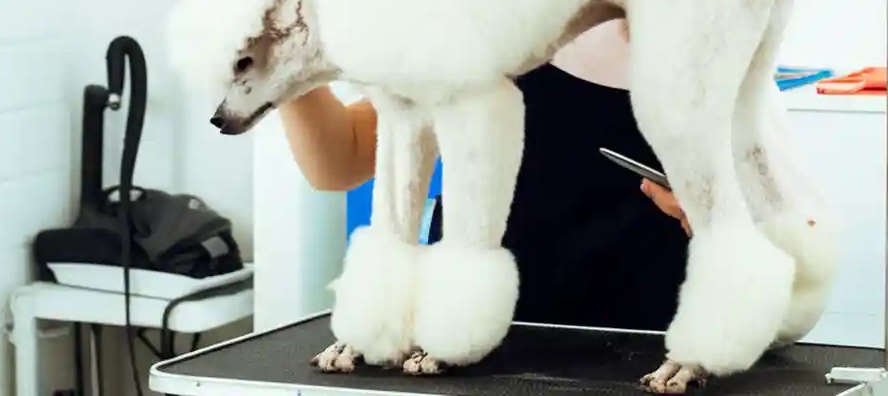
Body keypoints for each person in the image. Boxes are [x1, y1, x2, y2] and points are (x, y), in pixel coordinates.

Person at [280, 19, 691, 331]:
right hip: (483, 346)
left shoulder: (715, 33)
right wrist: (279, 58)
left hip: (663, 344)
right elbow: (340, 159)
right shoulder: (492, 28)